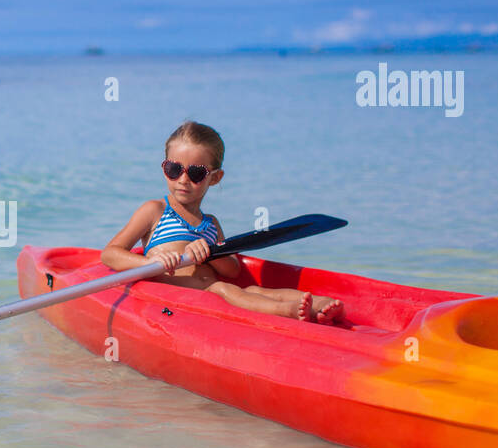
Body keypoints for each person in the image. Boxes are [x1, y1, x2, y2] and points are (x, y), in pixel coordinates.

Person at [101, 121, 343, 323]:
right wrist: (149, 261)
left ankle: (317, 303)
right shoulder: (155, 211)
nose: (183, 180)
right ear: (164, 168)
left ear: (215, 178)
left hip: (214, 291)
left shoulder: (211, 223)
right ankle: (287, 311)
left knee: (251, 291)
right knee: (226, 290)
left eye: (196, 173)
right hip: (182, 300)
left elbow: (233, 269)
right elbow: (110, 254)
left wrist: (211, 255)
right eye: (174, 169)